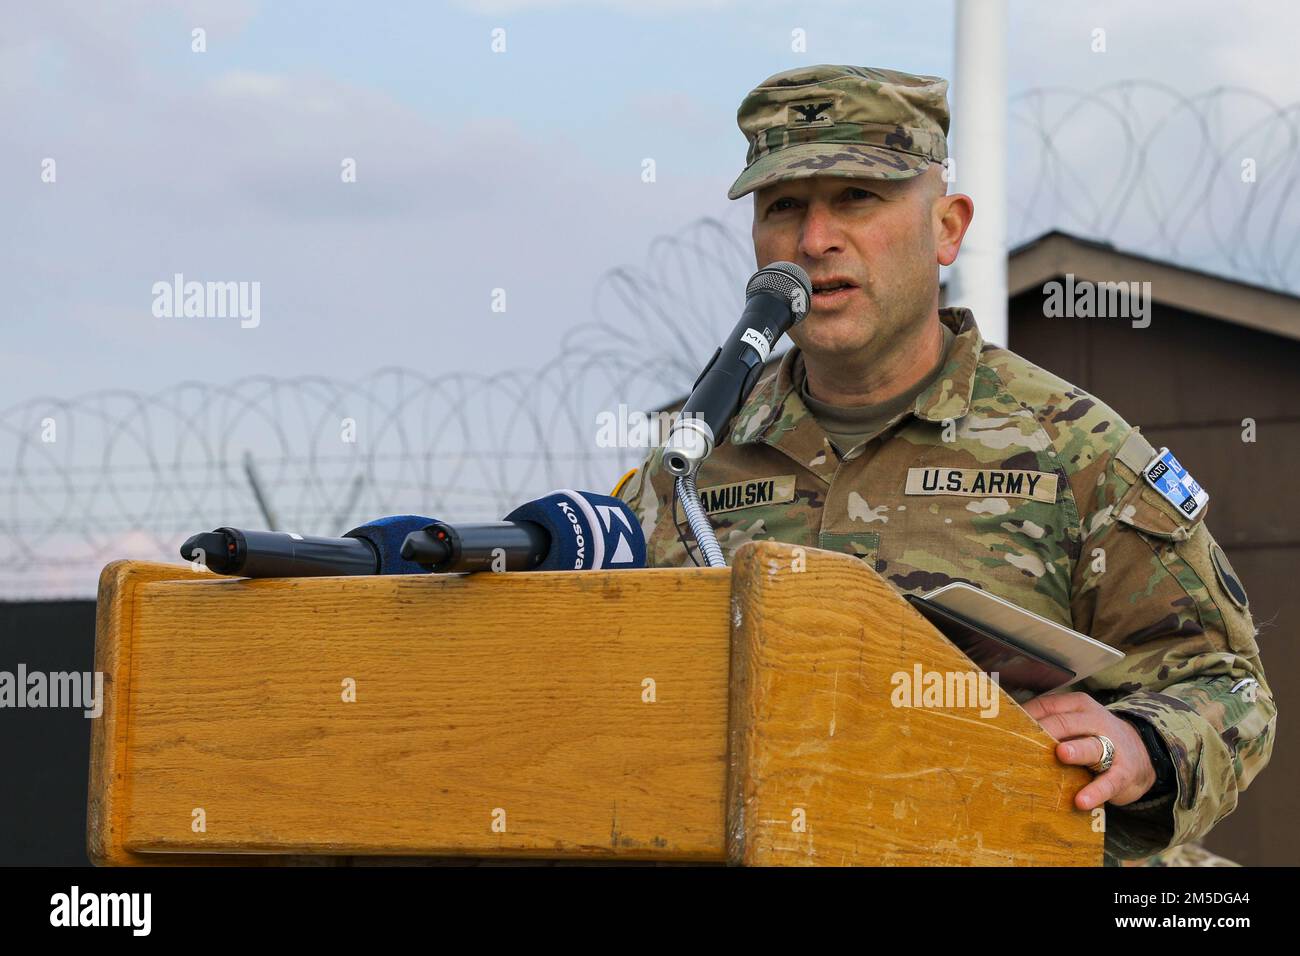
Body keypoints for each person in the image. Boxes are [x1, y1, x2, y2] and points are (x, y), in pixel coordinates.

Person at [613, 65, 1275, 865]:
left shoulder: (1070, 446)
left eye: (857, 197)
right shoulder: (689, 462)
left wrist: (1139, 744)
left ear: (947, 229)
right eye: (783, 206)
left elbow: (1224, 680)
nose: (813, 240)